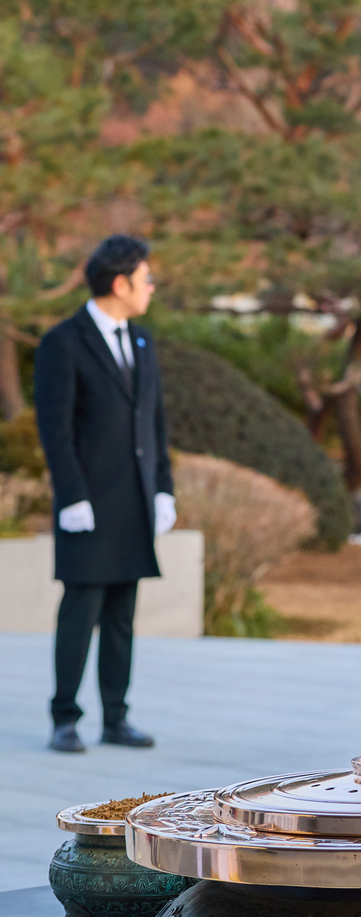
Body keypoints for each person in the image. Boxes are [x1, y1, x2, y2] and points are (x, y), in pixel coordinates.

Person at [35, 236, 174, 754]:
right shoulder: (63, 342)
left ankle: (116, 717)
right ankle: (64, 718)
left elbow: (154, 424)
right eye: (146, 279)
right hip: (88, 505)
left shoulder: (141, 342)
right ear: (121, 284)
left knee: (121, 616)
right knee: (80, 612)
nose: (151, 287)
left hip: (133, 502)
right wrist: (70, 496)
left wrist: (164, 489)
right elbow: (56, 428)